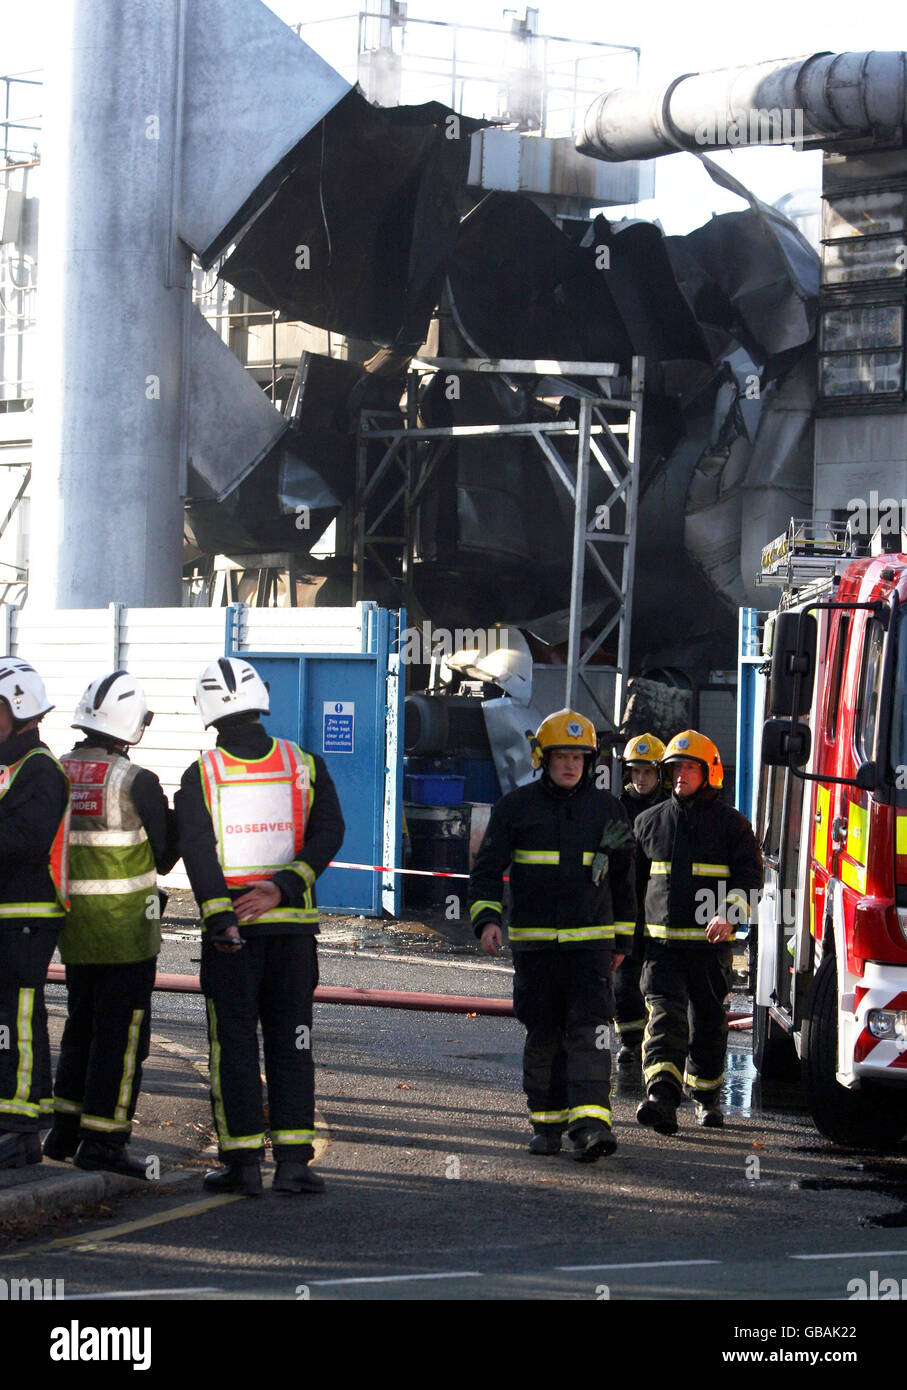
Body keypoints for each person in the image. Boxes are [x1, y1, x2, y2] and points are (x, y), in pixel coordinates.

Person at [175, 657, 344, 1197]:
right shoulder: (303, 764)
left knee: (234, 1047)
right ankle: (294, 1164)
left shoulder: (201, 773)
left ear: (208, 711)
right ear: (260, 702)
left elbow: (197, 853)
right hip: (292, 935)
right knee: (293, 1043)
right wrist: (285, 887)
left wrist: (221, 915)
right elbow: (331, 833)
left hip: (233, 940)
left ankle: (242, 1165)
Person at [468, 708, 635, 1162]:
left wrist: (622, 943)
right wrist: (486, 921)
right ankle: (546, 1125)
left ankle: (590, 1125)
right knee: (544, 1035)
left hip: (590, 950)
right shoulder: (515, 809)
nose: (570, 766)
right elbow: (485, 872)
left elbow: (624, 882)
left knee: (590, 1033)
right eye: (561, 756)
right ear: (543, 758)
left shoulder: (608, 810)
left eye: (578, 759)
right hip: (537, 950)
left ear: (590, 763)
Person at [43, 672, 179, 1177]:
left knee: (79, 1027)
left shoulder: (56, 771)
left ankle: (65, 1131)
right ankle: (103, 1143)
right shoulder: (135, 780)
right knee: (121, 1040)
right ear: (131, 726)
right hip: (126, 932)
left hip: (73, 930)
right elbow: (164, 858)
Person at [633, 730, 763, 1133]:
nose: (681, 775)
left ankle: (706, 1098)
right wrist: (625, 944)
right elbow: (630, 889)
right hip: (661, 949)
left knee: (708, 1023)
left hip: (710, 951)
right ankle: (661, 1096)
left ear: (710, 773)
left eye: (690, 767)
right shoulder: (648, 823)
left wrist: (730, 914)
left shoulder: (733, 826)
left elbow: (750, 881)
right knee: (665, 1019)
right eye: (676, 768)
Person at [0, 658, 70, 1170]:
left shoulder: (40, 769)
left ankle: (21, 1128)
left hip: (25, 916)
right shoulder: (10, 765)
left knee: (18, 1019)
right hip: (7, 911)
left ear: (19, 709)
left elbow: (26, 839)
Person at [614, 734, 668, 1069]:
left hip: (661, 907)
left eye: (647, 771)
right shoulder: (617, 809)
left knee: (659, 979)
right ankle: (631, 1042)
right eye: (635, 772)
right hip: (626, 906)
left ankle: (658, 1041)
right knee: (624, 980)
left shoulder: (670, 810)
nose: (641, 778)